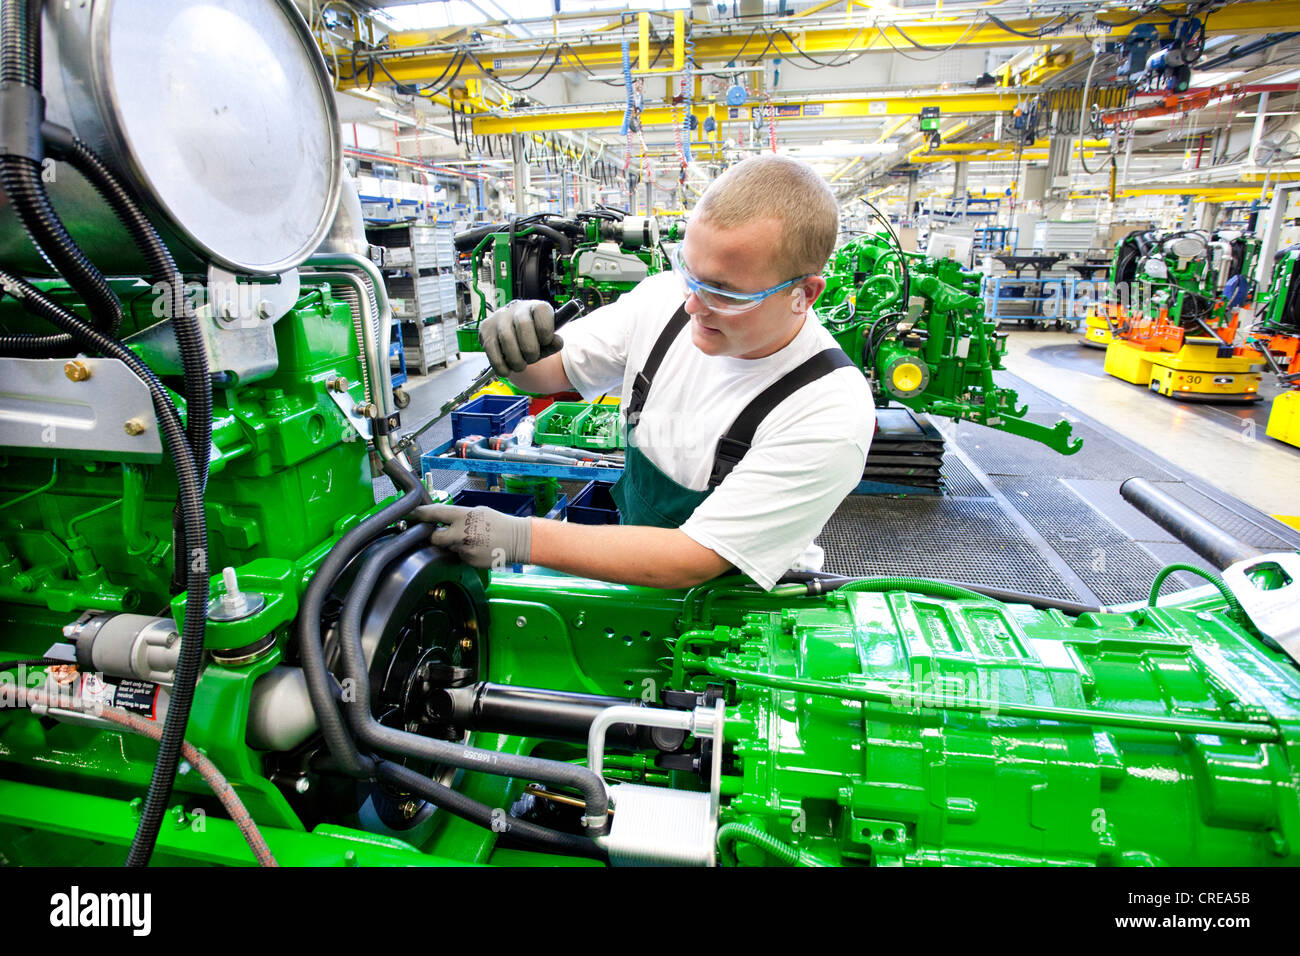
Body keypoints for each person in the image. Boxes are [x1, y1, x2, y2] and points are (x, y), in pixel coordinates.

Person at [416, 155, 875, 590]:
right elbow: (550, 372)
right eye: (690, 274)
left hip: (742, 613)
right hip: (636, 566)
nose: (693, 305)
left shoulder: (829, 407)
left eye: (724, 293)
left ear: (804, 293)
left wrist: (520, 538)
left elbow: (695, 556)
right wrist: (516, 343)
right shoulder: (663, 300)